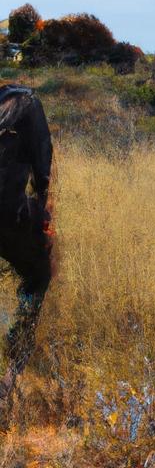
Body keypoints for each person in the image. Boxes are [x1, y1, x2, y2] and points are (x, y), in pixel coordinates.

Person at [0, 83, 54, 419]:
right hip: (7, 214)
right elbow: (43, 170)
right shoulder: (26, 102)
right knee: (38, 275)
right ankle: (11, 375)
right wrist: (43, 212)